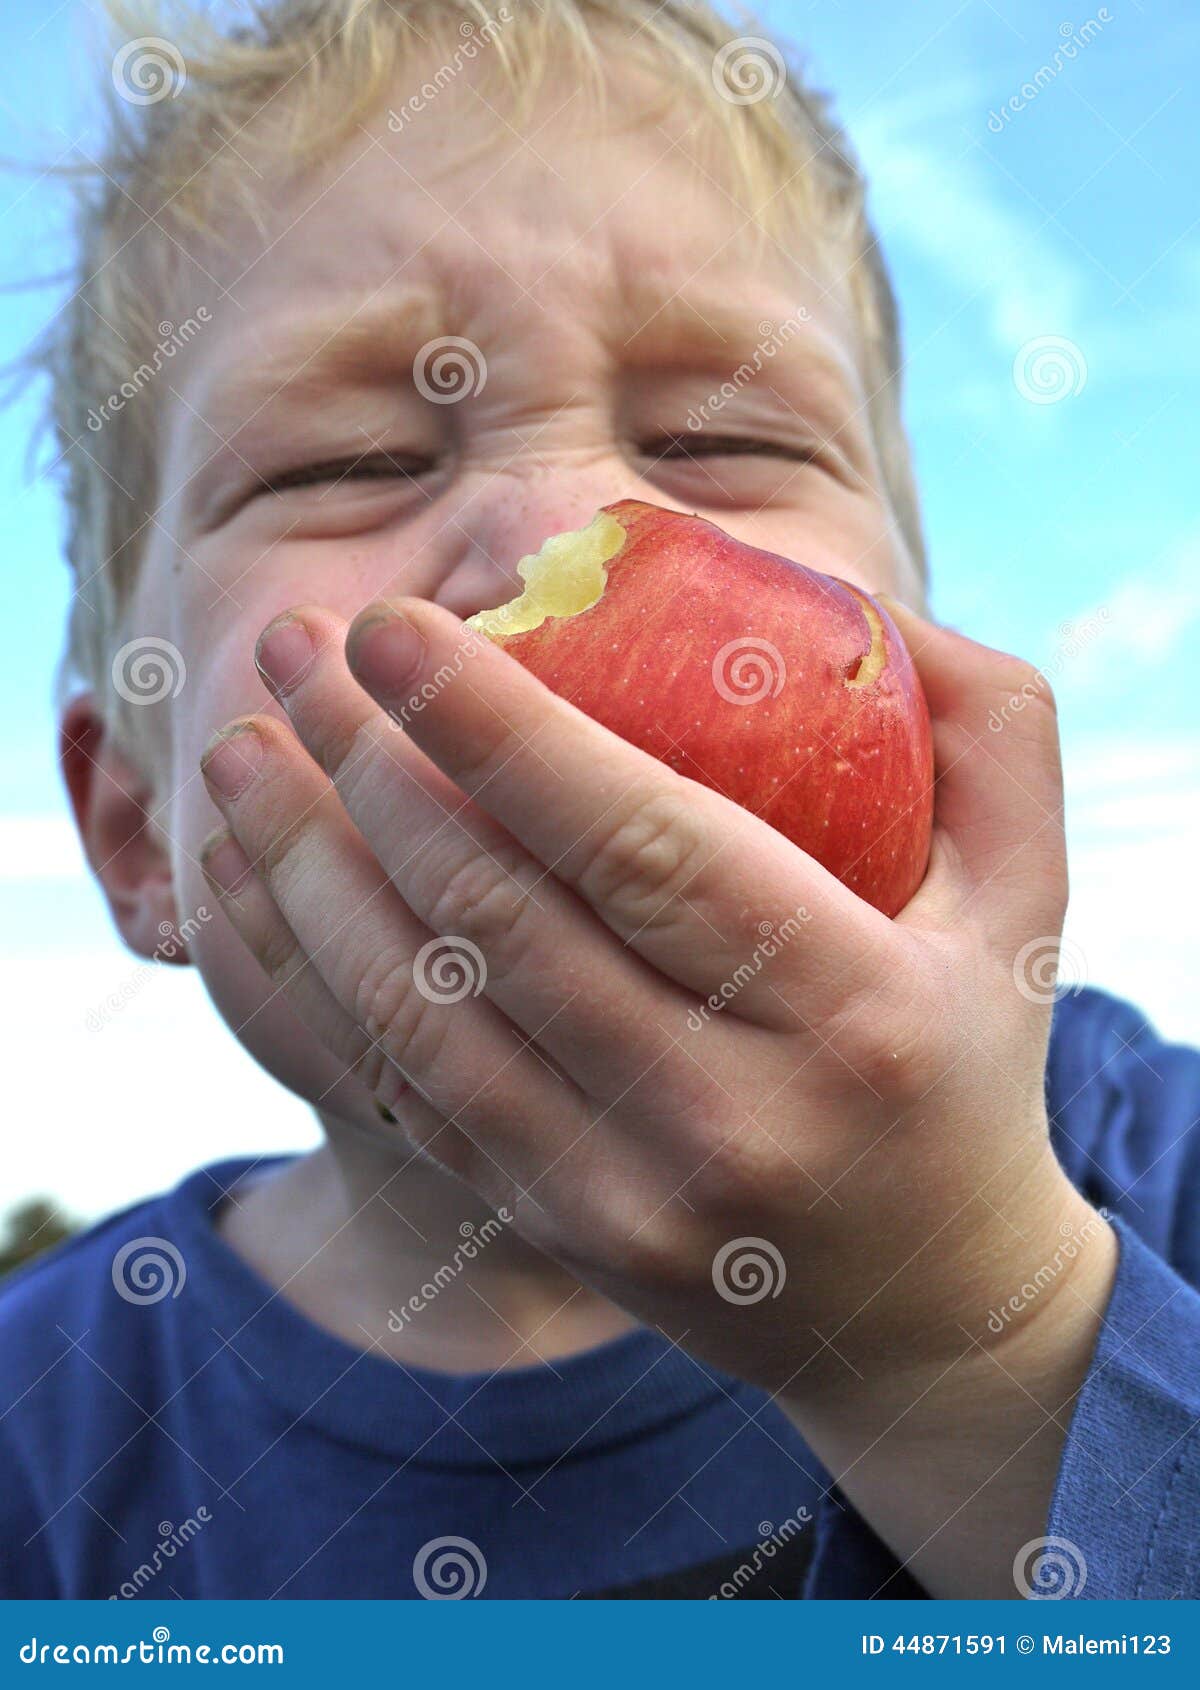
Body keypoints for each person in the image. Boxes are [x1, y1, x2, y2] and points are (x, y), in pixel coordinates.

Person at [2, 0, 1197, 1600]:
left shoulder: (1147, 1170)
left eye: (721, 436)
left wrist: (964, 1334)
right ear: (141, 840)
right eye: (346, 461)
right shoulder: (47, 1442)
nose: (576, 526)